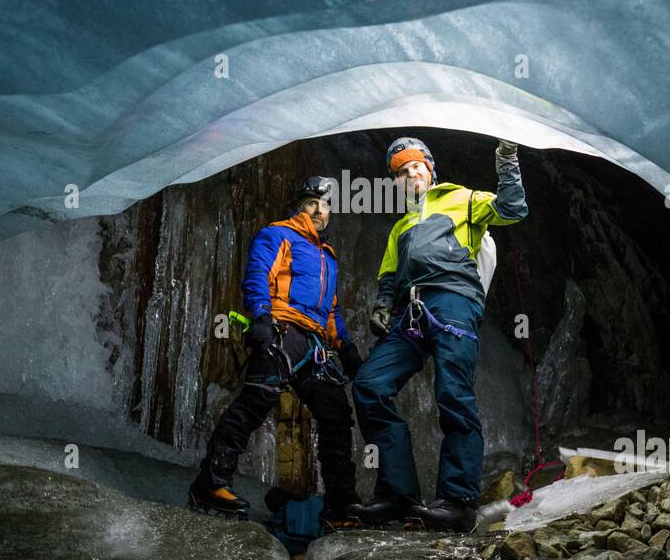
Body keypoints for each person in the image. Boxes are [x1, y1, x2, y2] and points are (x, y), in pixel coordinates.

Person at [349, 136, 528, 532]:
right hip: (411, 312)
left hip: (453, 301)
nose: (409, 173)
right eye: (400, 172)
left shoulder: (461, 199)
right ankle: (398, 494)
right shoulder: (400, 227)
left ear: (430, 170)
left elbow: (512, 210)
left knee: (453, 395)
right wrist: (382, 306)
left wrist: (507, 159)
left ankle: (458, 502)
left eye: (415, 166)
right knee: (369, 385)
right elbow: (390, 275)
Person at [188, 176, 364, 525]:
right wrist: (261, 319)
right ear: (299, 206)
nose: (318, 210)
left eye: (325, 205)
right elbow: (258, 275)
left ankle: (340, 504)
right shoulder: (278, 234)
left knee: (335, 414)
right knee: (257, 399)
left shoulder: (328, 258)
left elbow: (330, 310)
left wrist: (345, 346)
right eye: (311, 202)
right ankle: (210, 483)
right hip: (282, 331)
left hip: (313, 343)